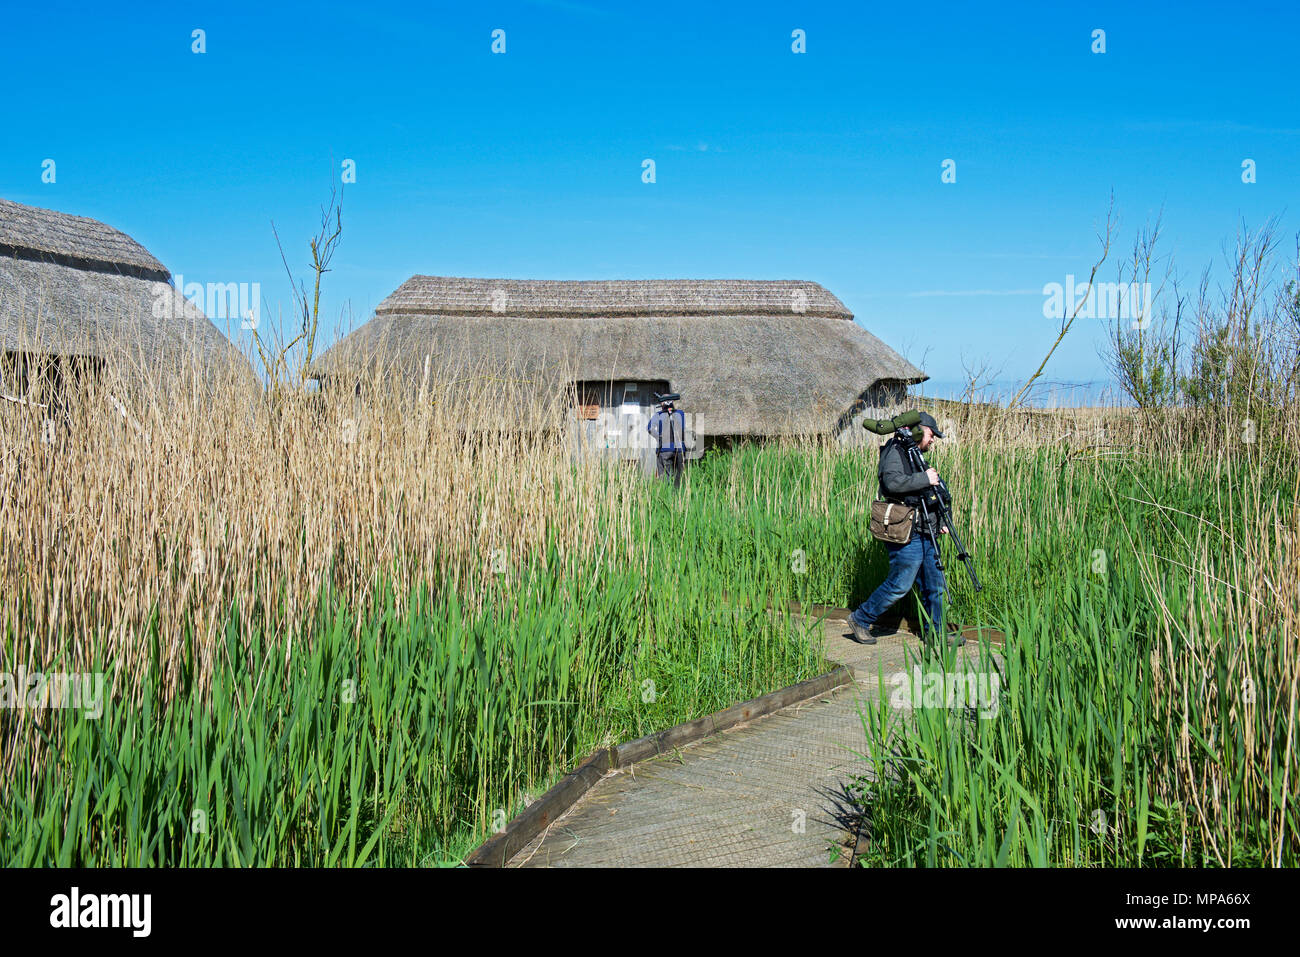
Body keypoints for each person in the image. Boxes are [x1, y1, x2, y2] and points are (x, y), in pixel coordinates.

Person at [849, 411, 964, 649]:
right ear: (919, 430)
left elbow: (937, 491)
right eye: (932, 435)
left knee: (935, 584)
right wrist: (924, 479)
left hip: (926, 529)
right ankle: (860, 619)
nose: (933, 441)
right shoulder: (895, 451)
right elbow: (892, 483)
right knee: (900, 584)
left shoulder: (915, 455)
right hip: (905, 530)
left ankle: (937, 633)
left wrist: (943, 519)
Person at [646, 393, 686, 485]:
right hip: (680, 449)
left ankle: (666, 494)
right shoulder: (681, 413)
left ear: (662, 403)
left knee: (664, 477)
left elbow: (650, 428)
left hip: (664, 450)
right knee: (679, 477)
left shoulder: (658, 415)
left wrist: (659, 438)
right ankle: (677, 496)